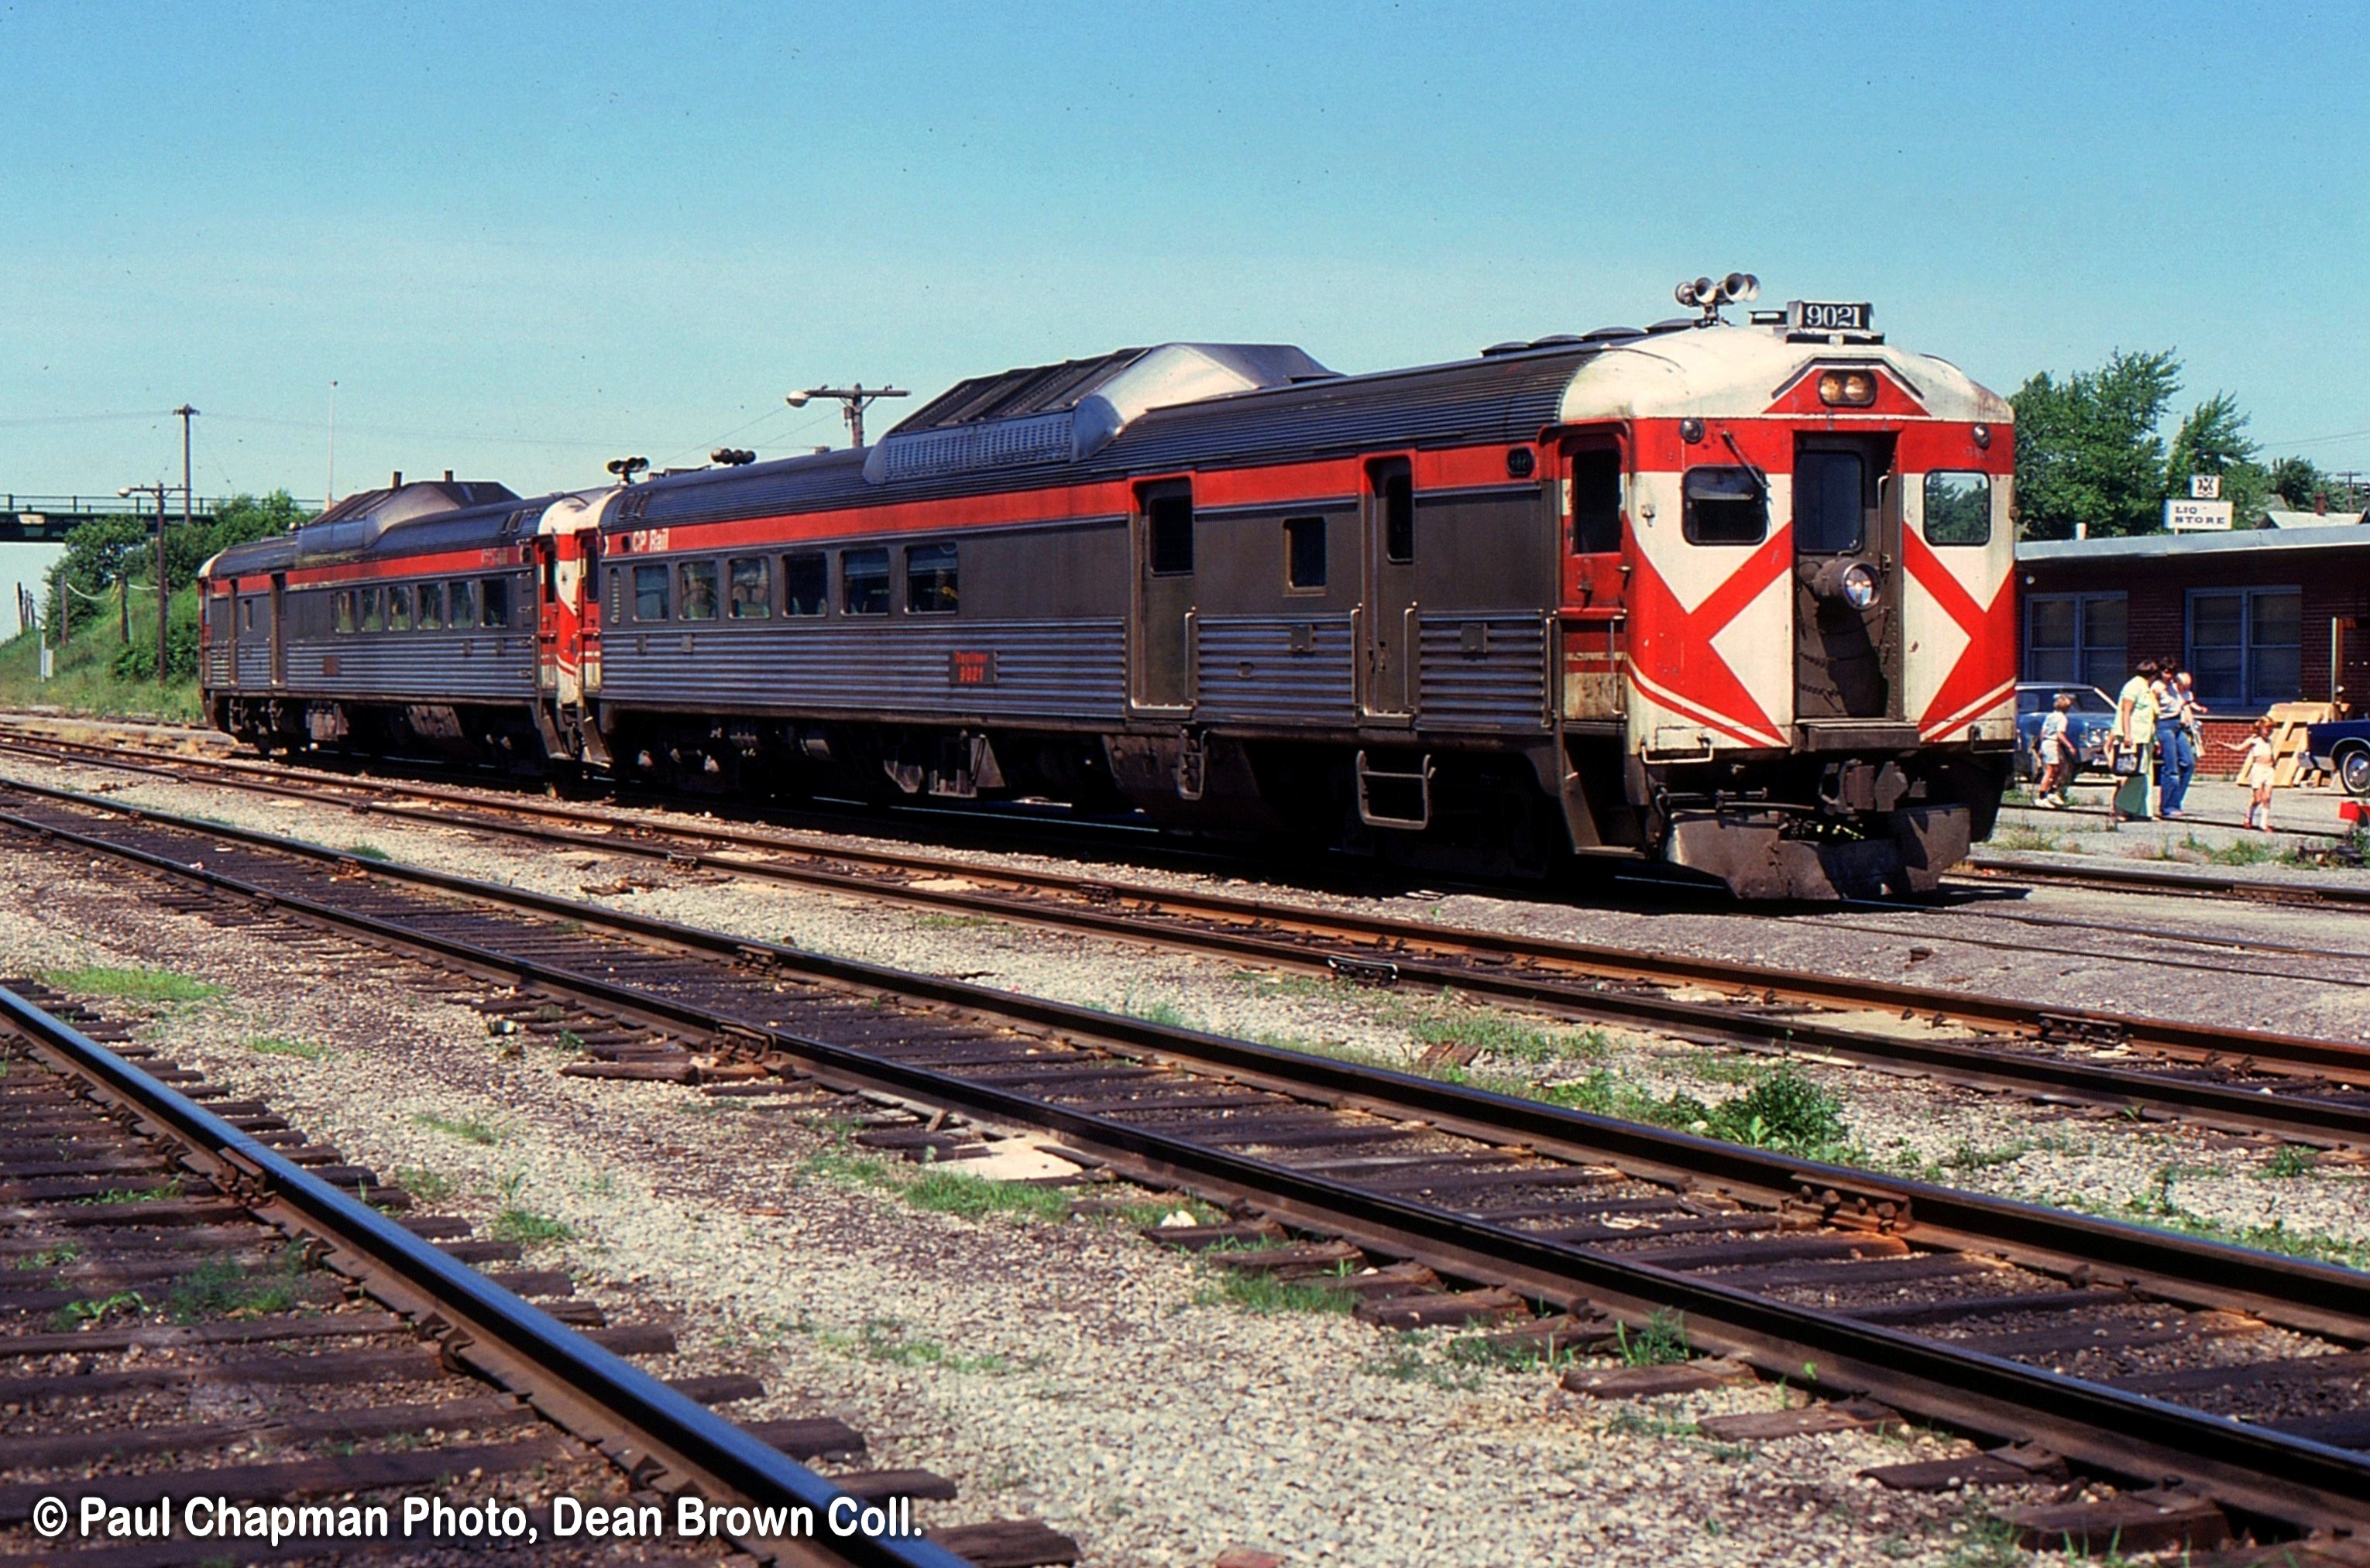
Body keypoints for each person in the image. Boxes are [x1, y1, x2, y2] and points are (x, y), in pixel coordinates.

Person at [2112, 659, 2161, 823]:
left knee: (2146, 776)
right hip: (2134, 737)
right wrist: (2127, 735)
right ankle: (2122, 805)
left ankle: (2143, 811)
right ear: (2153, 674)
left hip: (2145, 737)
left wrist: (2155, 738)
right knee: (2137, 775)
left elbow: (2150, 717)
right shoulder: (2133, 686)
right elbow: (2126, 711)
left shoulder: (2146, 689)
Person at [2154, 664, 2197, 818]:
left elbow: (2186, 699)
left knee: (2188, 763)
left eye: (2171, 672)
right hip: (2163, 725)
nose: (2169, 674)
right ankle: (2167, 806)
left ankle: (2176, 801)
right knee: (2171, 768)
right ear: (2161, 672)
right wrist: (2154, 737)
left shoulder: (2174, 687)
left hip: (2177, 725)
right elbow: (2152, 711)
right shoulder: (2157, 687)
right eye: (2166, 671)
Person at [2236, 716, 2278, 831]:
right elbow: (2239, 748)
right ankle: (2248, 815)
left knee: (2267, 797)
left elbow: (2271, 755)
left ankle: (2263, 823)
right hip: (2258, 770)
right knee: (2258, 798)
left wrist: (2274, 764)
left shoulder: (2269, 742)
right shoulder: (2254, 741)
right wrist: (2225, 746)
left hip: (2269, 770)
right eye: (2267, 729)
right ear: (2260, 728)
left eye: (2271, 730)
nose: (2269, 732)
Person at [2035, 692, 2074, 808]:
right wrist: (2069, 746)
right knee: (2051, 770)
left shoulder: (2050, 716)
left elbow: (2043, 732)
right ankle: (2042, 796)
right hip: (2052, 743)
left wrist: (2041, 746)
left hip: (2046, 743)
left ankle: (2053, 790)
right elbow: (2059, 734)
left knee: (2060, 768)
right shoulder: (2063, 719)